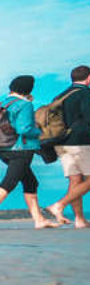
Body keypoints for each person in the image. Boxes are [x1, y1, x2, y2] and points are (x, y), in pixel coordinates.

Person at [0, 76, 61, 229]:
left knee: (31, 182)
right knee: (9, 182)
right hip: (21, 150)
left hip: (2, 150)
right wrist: (41, 131)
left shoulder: (0, 105)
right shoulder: (25, 105)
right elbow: (25, 129)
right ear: (28, 90)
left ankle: (39, 220)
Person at [46, 64, 90, 229]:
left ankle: (79, 219)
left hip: (61, 143)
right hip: (81, 141)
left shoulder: (60, 96)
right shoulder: (85, 93)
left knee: (75, 179)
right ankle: (59, 205)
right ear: (89, 78)